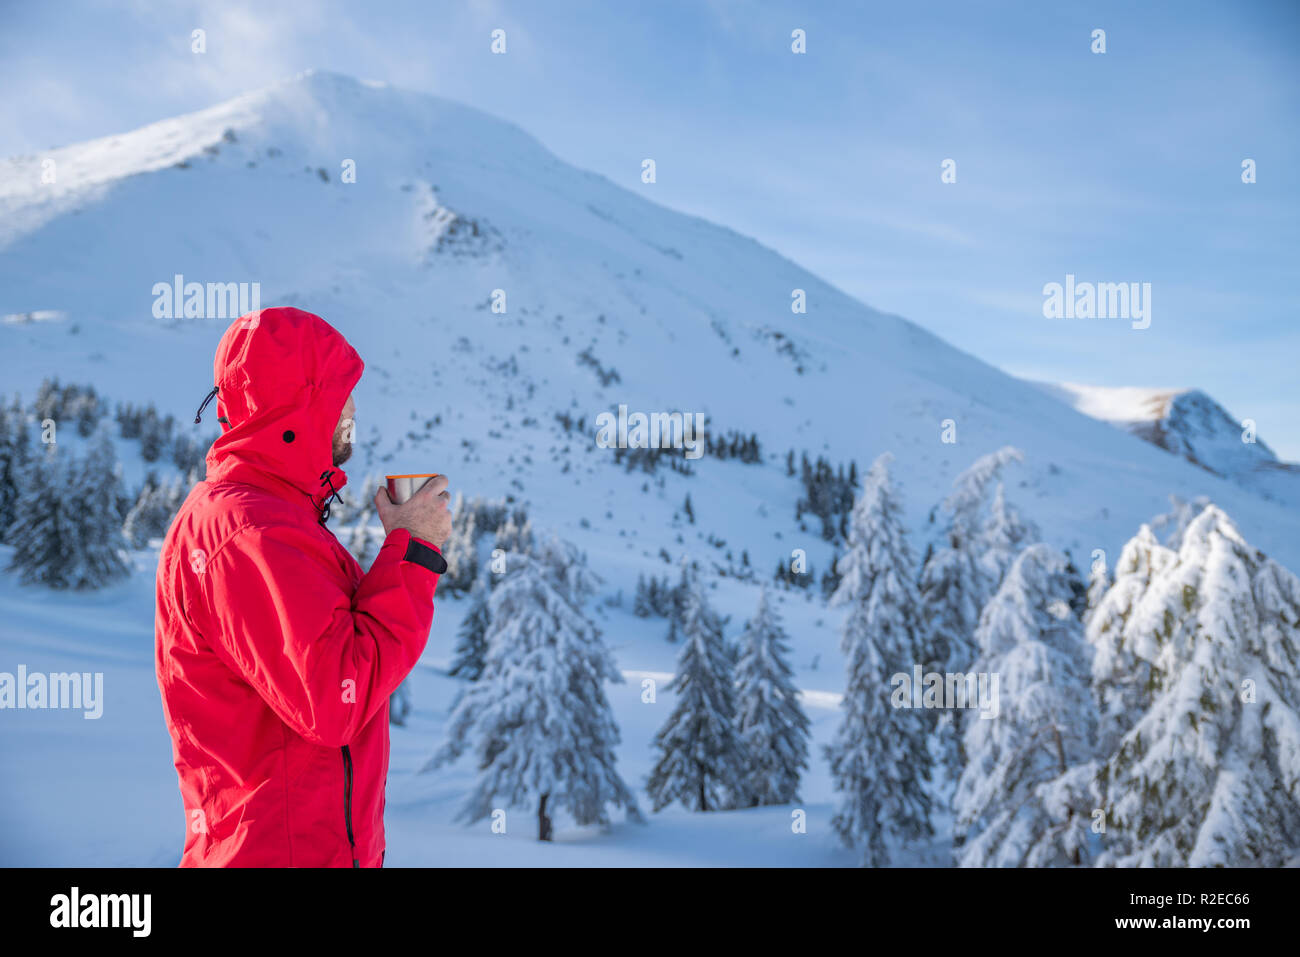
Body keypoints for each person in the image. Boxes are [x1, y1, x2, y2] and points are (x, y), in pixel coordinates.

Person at [154, 306, 452, 867]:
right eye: (340, 394)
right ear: (296, 407)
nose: (354, 411)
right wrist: (412, 552)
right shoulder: (250, 532)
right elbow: (338, 695)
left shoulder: (274, 519)